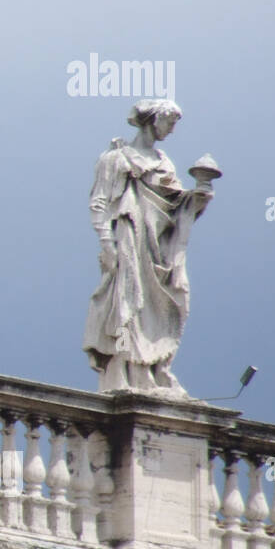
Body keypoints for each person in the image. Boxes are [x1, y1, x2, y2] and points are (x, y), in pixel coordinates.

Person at [83, 98, 212, 395]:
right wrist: (106, 243)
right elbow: (99, 202)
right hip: (129, 235)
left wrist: (198, 196)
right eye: (170, 122)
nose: (172, 129)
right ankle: (126, 372)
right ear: (154, 120)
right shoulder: (115, 159)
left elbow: (176, 204)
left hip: (157, 247)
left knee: (162, 303)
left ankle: (153, 371)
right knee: (129, 300)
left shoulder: (164, 162)